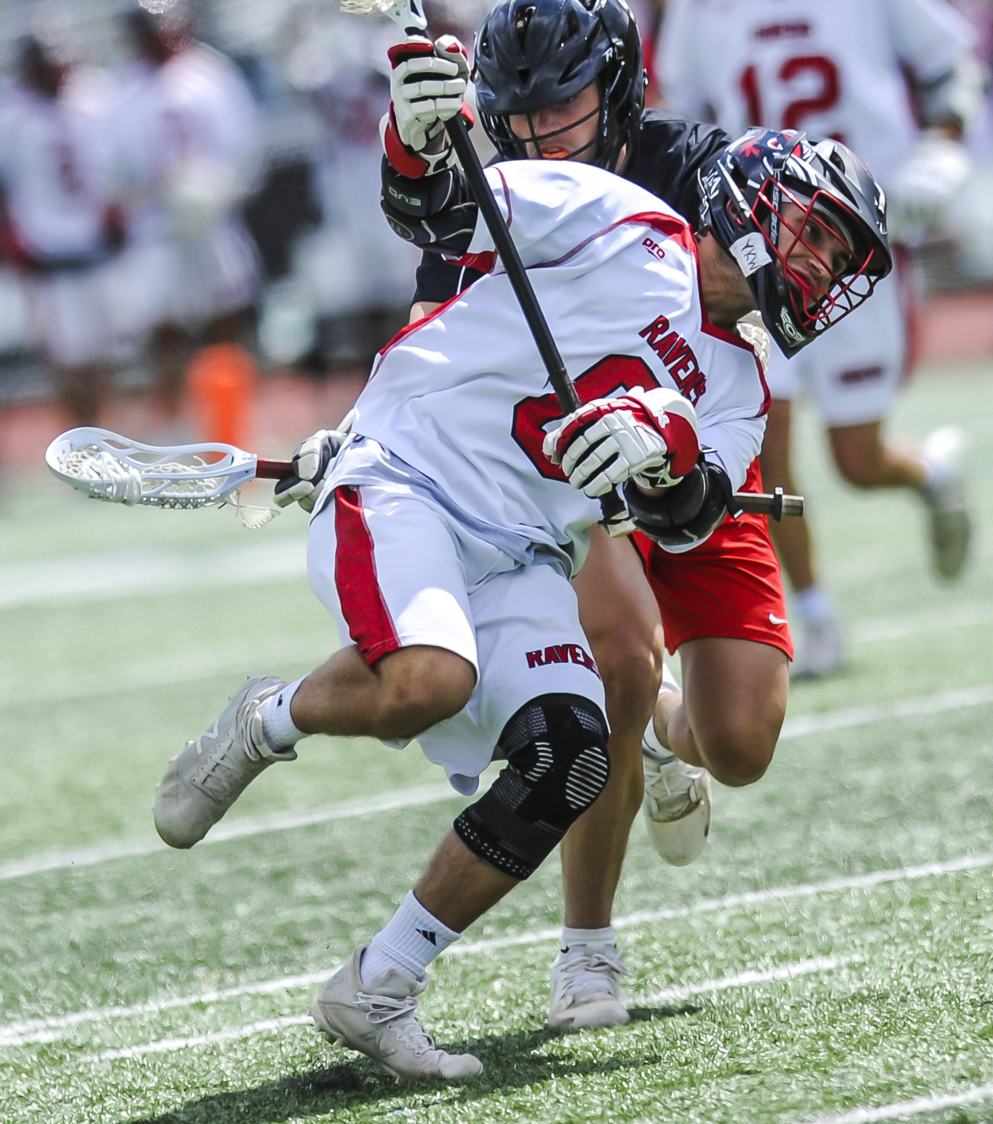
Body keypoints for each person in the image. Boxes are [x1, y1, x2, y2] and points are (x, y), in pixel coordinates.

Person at [154, 116, 887, 1080]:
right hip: (408, 475)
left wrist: (662, 450)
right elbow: (437, 211)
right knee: (426, 682)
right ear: (758, 203)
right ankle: (269, 717)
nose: (825, 270)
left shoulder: (737, 385)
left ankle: (378, 985)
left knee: (571, 757)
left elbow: (689, 515)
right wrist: (414, 133)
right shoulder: (616, 218)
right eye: (821, 237)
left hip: (526, 550)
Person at [373, 0, 889, 1026]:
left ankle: (665, 729)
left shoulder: (705, 173)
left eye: (558, 104)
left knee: (739, 741)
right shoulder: (503, 175)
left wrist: (677, 472)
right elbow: (429, 263)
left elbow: (742, 363)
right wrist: (414, 143)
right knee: (612, 658)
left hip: (692, 432)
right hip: (557, 459)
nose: (531, 130)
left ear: (616, 89)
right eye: (511, 111)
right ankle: (589, 946)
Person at [657, 0, 985, 676]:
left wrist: (940, 148)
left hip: (854, 250)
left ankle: (928, 475)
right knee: (761, 443)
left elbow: (950, 62)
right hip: (751, 253)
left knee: (857, 459)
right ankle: (809, 618)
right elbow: (677, 117)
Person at [110, 0, 261, 416]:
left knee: (225, 320)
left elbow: (244, 146)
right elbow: (116, 170)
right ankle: (170, 425)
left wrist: (214, 190)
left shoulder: (210, 74)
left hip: (211, 221)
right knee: (163, 330)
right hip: (156, 228)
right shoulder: (122, 90)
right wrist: (154, 192)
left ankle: (232, 422)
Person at [0, 37, 123, 425]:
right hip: (45, 254)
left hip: (95, 247)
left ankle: (107, 436)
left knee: (106, 355)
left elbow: (116, 168)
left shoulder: (93, 101)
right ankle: (78, 441)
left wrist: (117, 215)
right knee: (66, 360)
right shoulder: (12, 119)